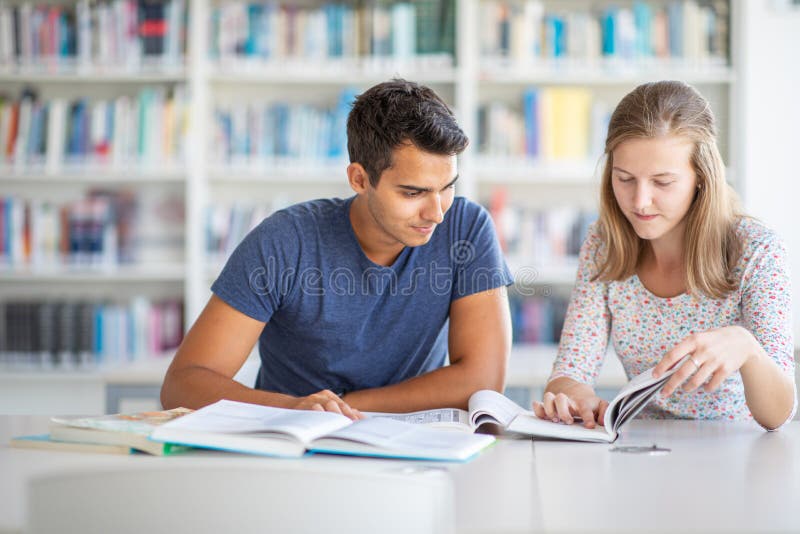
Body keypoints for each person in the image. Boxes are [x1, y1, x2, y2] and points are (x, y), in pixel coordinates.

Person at [161, 79, 513, 418]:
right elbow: (183, 382)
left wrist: (344, 406)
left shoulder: (466, 228)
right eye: (413, 193)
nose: (436, 213)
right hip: (297, 441)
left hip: (413, 445)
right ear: (359, 179)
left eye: (447, 187)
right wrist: (295, 409)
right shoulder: (284, 242)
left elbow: (482, 381)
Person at [533, 80, 796, 431]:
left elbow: (779, 414)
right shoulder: (603, 243)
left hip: (739, 455)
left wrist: (749, 350)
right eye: (625, 178)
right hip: (642, 452)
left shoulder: (757, 251)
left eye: (662, 182)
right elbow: (569, 371)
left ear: (701, 178)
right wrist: (573, 398)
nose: (640, 201)